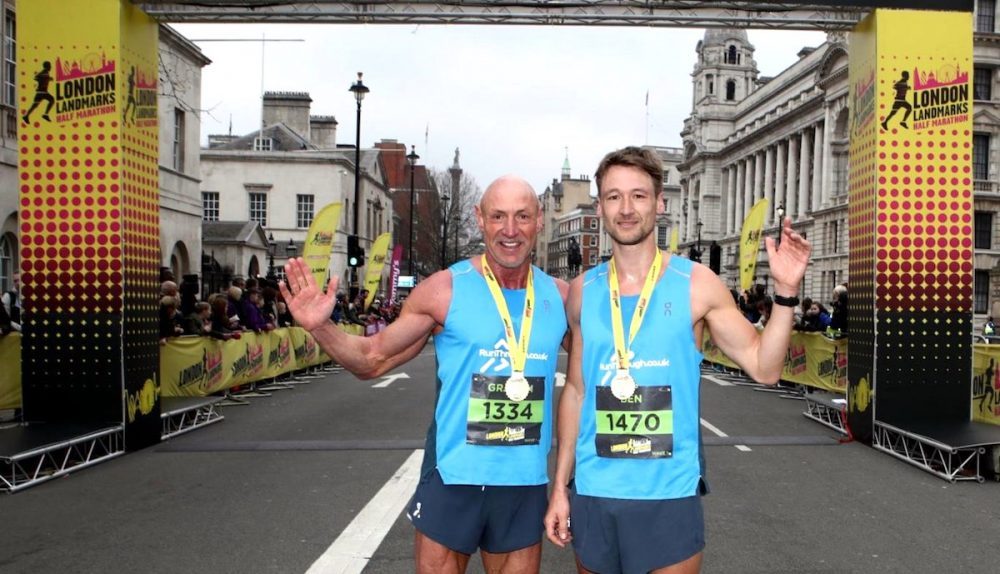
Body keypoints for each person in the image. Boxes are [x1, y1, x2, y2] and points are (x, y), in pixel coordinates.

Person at [280, 175, 569, 574]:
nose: (510, 230)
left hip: (523, 483)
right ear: (479, 219)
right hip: (452, 477)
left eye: (522, 216)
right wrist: (320, 327)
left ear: (539, 221)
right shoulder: (444, 290)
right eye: (498, 216)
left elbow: (604, 367)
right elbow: (372, 359)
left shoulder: (562, 297)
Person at [544, 146, 810, 574]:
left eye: (639, 195)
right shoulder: (582, 290)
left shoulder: (697, 284)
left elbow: (765, 367)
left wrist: (785, 292)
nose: (626, 209)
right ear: (600, 207)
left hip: (669, 494)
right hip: (594, 490)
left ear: (659, 202)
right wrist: (560, 486)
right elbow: (575, 392)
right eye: (614, 197)